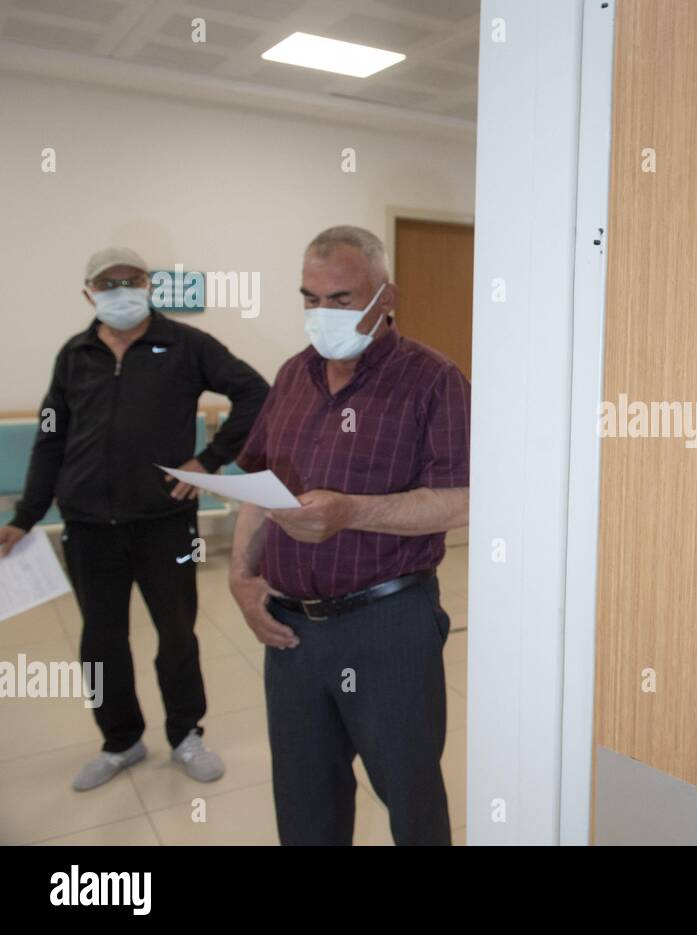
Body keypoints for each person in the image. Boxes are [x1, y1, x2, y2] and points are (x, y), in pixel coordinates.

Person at [228, 225, 470, 845]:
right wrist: (241, 579)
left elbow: (462, 499)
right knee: (305, 801)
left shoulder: (433, 381)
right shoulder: (291, 375)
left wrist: (351, 512)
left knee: (410, 795)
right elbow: (260, 482)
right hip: (290, 631)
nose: (322, 313)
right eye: (310, 298)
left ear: (385, 297)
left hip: (388, 627)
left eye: (340, 298)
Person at [0, 247, 269, 790]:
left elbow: (255, 393)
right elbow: (50, 438)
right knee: (101, 641)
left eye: (133, 279)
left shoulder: (187, 345)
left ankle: (186, 734)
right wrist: (25, 517)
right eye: (108, 282)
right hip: (87, 526)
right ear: (89, 293)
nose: (121, 289)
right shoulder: (74, 355)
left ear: (150, 285)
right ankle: (120, 741)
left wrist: (208, 462)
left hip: (164, 521)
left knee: (177, 634)